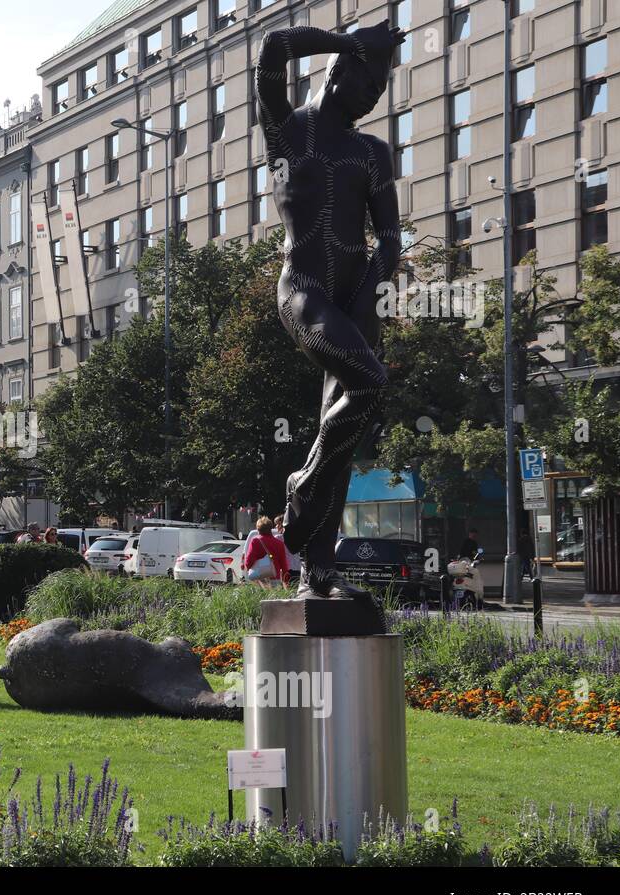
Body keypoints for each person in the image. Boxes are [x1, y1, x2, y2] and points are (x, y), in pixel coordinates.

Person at [255, 21, 406, 598]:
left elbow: (389, 239)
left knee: (342, 429)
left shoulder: (373, 152)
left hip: (356, 297)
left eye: (380, 94)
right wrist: (348, 39)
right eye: (366, 85)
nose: (371, 101)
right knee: (368, 382)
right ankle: (302, 483)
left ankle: (318, 573)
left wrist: (370, 293)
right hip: (305, 294)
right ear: (339, 70)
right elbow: (273, 49)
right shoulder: (287, 132)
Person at [244, 516, 290, 587]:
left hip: (260, 578)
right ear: (270, 529)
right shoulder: (279, 543)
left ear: (258, 529)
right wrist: (285, 580)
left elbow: (249, 560)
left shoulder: (255, 541)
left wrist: (248, 569)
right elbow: (284, 564)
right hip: (275, 577)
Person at [273, 513, 302, 581]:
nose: (276, 526)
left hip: (287, 569)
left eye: (277, 524)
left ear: (283, 524)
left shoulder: (278, 538)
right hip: (299, 568)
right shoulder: (298, 538)